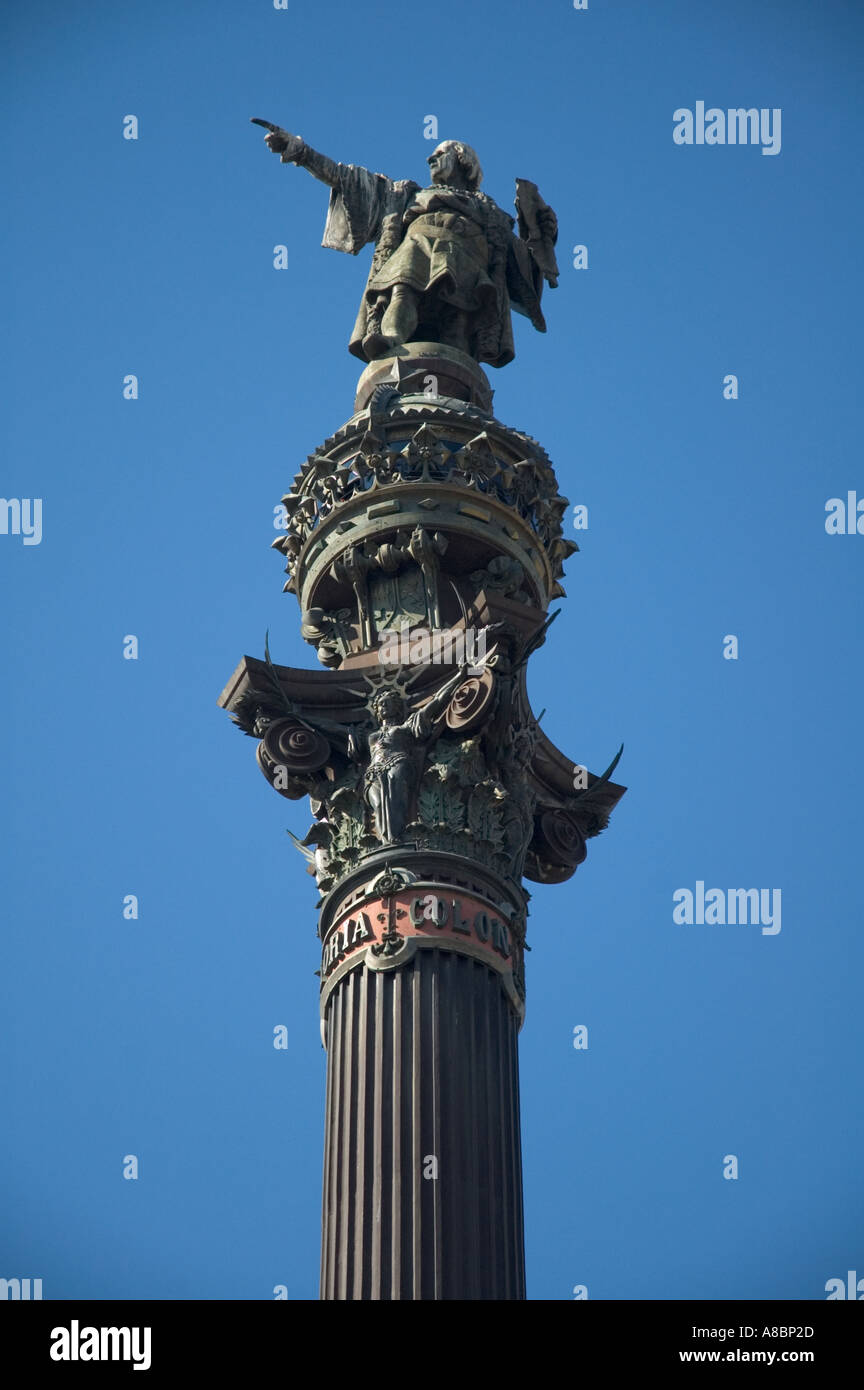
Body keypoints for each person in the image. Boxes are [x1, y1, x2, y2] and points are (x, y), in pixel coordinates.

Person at [261, 127, 557, 367]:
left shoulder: (490, 212)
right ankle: (390, 339)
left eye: (439, 153)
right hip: (418, 248)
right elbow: (347, 179)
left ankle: (456, 366)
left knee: (458, 320)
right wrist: (301, 152)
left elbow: (524, 270)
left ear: (463, 159)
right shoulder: (407, 195)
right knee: (402, 287)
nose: (430, 159)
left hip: (468, 262)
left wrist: (541, 231)